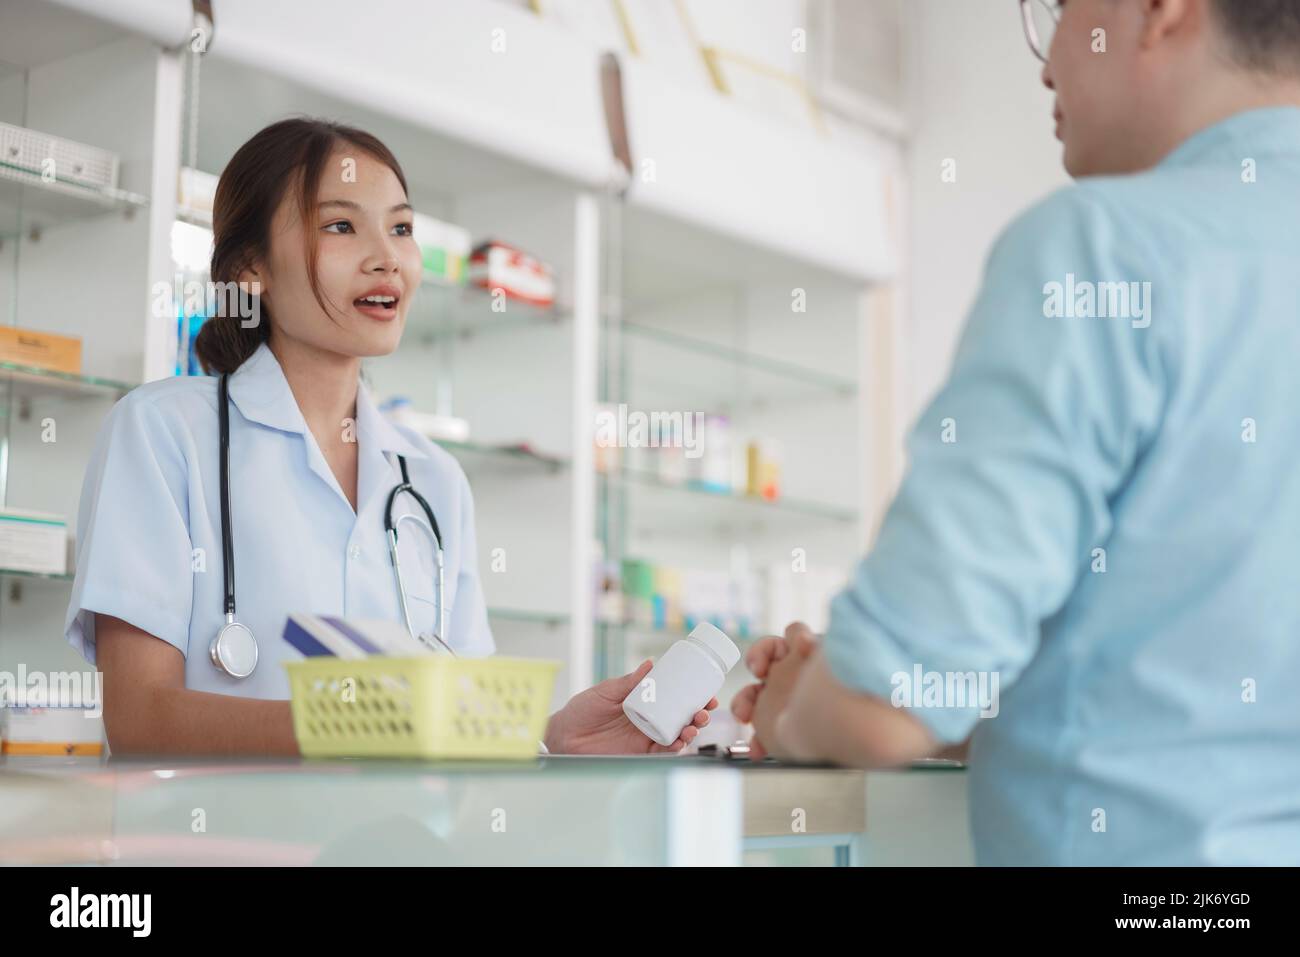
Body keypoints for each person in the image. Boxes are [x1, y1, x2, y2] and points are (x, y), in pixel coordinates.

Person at [733, 0, 1300, 865]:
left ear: (1159, 11)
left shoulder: (1105, 252)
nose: (1044, 63)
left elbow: (881, 709)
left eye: (1061, 10)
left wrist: (799, 702)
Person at [64, 117, 713, 756]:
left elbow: (463, 720)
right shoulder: (162, 433)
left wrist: (551, 738)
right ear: (249, 267)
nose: (387, 258)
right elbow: (140, 717)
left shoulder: (433, 479)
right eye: (341, 225)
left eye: (401, 228)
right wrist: (364, 722)